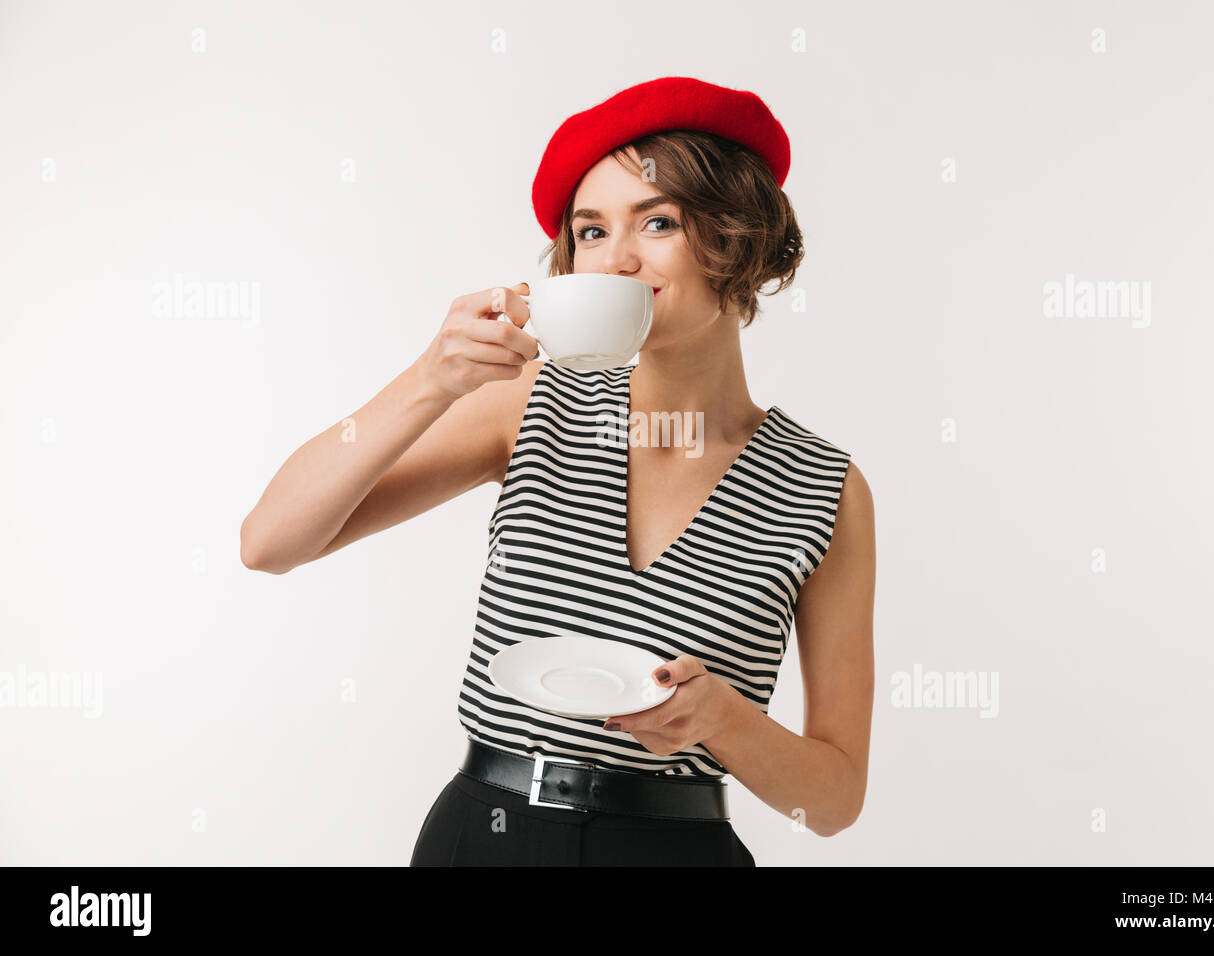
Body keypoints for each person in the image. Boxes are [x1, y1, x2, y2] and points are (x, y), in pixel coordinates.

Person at [241, 76, 876, 867]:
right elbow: (270, 541)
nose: (617, 261)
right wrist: (429, 379)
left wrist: (723, 719)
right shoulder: (529, 400)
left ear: (736, 238)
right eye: (592, 232)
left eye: (659, 221)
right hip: (486, 837)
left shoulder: (823, 487)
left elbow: (834, 801)